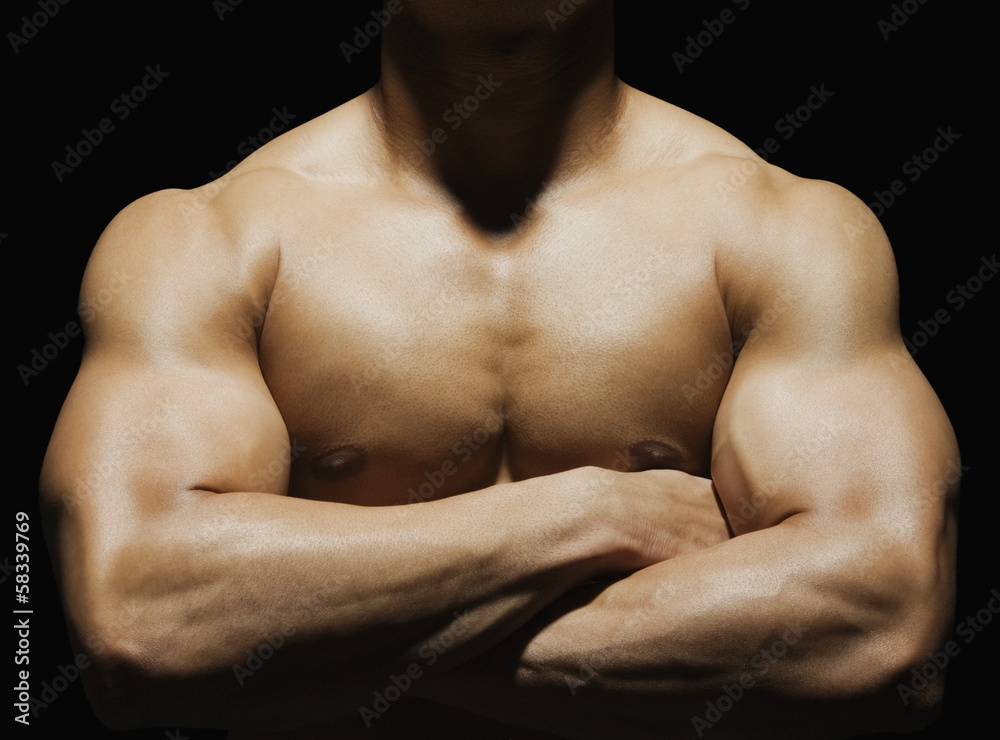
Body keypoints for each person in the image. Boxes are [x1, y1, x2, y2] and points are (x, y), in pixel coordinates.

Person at [39, 1, 958, 738]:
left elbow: (878, 629)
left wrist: (305, 644)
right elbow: (141, 624)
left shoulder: (786, 235)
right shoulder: (202, 242)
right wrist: (589, 514)